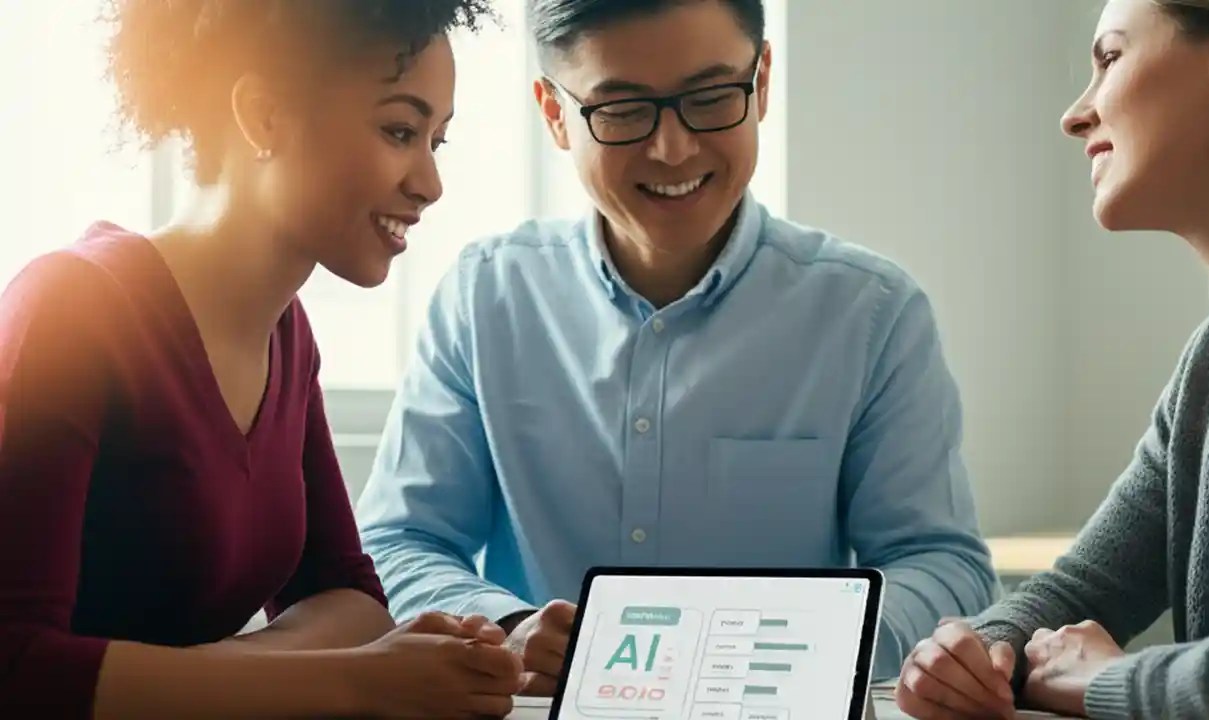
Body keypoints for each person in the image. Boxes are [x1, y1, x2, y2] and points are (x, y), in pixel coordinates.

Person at [355, 0, 998, 693]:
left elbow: (942, 566)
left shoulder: (872, 314)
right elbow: (400, 543)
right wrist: (507, 628)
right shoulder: (485, 298)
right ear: (554, 115)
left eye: (711, 97)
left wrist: (779, 652)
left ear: (762, 84)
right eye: (624, 111)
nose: (674, 148)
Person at [0, 1, 526, 717]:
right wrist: (357, 680)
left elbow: (350, 598)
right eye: (400, 131)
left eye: (438, 139)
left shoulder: (287, 334)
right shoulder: (72, 310)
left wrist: (201, 680)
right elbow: (16, 667)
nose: (430, 184)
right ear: (266, 116)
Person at [895, 0, 1209, 718]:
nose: (1077, 114)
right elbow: (1074, 592)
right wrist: (975, 653)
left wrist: (1106, 681)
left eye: (1109, 59)